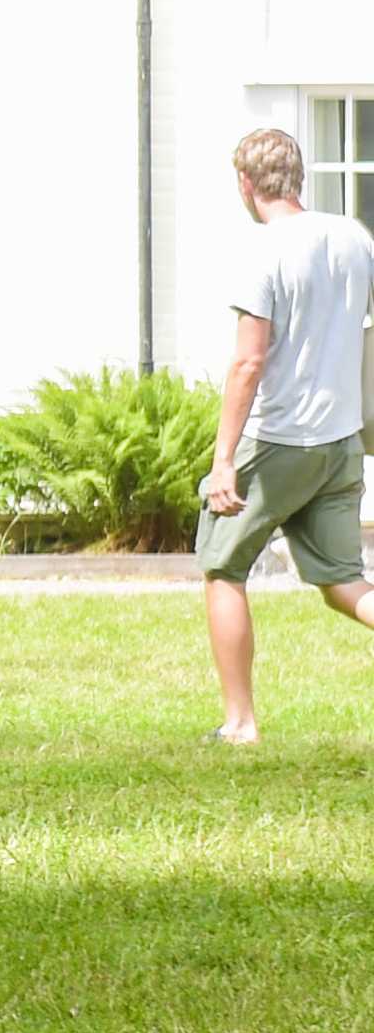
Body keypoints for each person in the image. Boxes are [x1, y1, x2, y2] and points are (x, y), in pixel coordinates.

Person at [198, 126, 374, 743]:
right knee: (343, 582)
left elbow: (249, 362)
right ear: (297, 177)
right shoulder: (354, 238)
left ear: (246, 184)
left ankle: (239, 723)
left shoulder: (262, 251)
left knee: (223, 567)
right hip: (340, 441)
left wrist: (224, 462)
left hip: (278, 440)